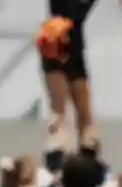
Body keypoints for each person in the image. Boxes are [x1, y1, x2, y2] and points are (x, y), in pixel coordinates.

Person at [37, 0, 98, 148]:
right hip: (56, 40)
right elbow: (74, 13)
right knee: (59, 112)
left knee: (85, 116)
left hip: (73, 44)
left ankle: (87, 155)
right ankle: (57, 152)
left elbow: (78, 14)